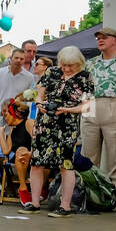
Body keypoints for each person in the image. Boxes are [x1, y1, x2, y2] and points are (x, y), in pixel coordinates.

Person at [23, 46, 94, 218]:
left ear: (80, 63)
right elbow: (39, 94)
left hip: (67, 125)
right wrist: (40, 104)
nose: (67, 69)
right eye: (64, 65)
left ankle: (65, 206)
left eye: (71, 66)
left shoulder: (85, 77)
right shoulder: (52, 72)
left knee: (66, 164)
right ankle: (35, 202)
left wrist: (68, 109)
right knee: (36, 162)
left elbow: (89, 106)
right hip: (44, 122)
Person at [81, 26, 116, 186]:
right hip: (91, 107)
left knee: (115, 155)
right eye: (98, 37)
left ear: (115, 39)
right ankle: (90, 192)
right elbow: (84, 89)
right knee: (88, 154)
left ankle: (114, 192)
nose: (100, 40)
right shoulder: (90, 63)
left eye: (104, 37)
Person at [0, 98, 36, 205]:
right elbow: (6, 151)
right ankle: (23, 188)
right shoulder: (12, 129)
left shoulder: (29, 123)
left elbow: (38, 140)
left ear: (15, 114)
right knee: (20, 151)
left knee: (23, 151)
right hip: (19, 159)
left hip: (35, 156)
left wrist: (31, 153)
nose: (5, 118)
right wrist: (1, 133)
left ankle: (41, 187)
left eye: (7, 115)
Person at [0, 48, 35, 120]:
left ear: (24, 61)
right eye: (16, 58)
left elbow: (31, 98)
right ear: (10, 58)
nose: (18, 60)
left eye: (21, 59)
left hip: (18, 117)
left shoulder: (29, 77)